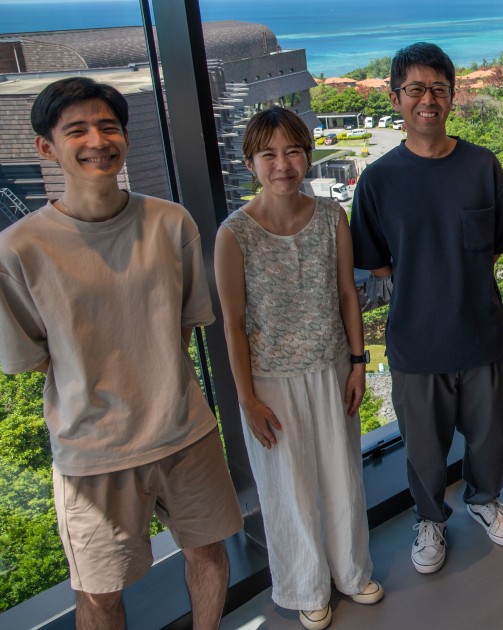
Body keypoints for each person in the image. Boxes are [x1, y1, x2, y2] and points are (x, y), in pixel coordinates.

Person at [0, 77, 242, 629]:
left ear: (125, 138)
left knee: (208, 552)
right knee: (100, 593)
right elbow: (31, 356)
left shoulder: (170, 222)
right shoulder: (19, 250)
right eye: (77, 130)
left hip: (185, 432)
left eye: (108, 126)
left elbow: (184, 324)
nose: (97, 140)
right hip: (92, 454)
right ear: (46, 147)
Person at [350, 42, 503, 575]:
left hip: (481, 335)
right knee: (424, 452)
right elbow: (376, 263)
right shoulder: (379, 180)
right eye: (416, 90)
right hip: (415, 341)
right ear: (396, 96)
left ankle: (484, 500)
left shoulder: (481, 166)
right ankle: (430, 519)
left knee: (489, 437)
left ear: (452, 95)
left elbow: (496, 242)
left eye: (438, 89)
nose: (428, 100)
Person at [213, 107, 381, 630]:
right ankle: (305, 585)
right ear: (250, 163)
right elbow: (233, 325)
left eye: (292, 151)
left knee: (342, 475)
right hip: (270, 381)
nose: (283, 164)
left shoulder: (331, 216)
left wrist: (358, 363)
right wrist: (247, 400)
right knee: (287, 487)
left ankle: (352, 572)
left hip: (331, 367)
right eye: (269, 154)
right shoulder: (233, 233)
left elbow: (347, 295)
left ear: (307, 155)